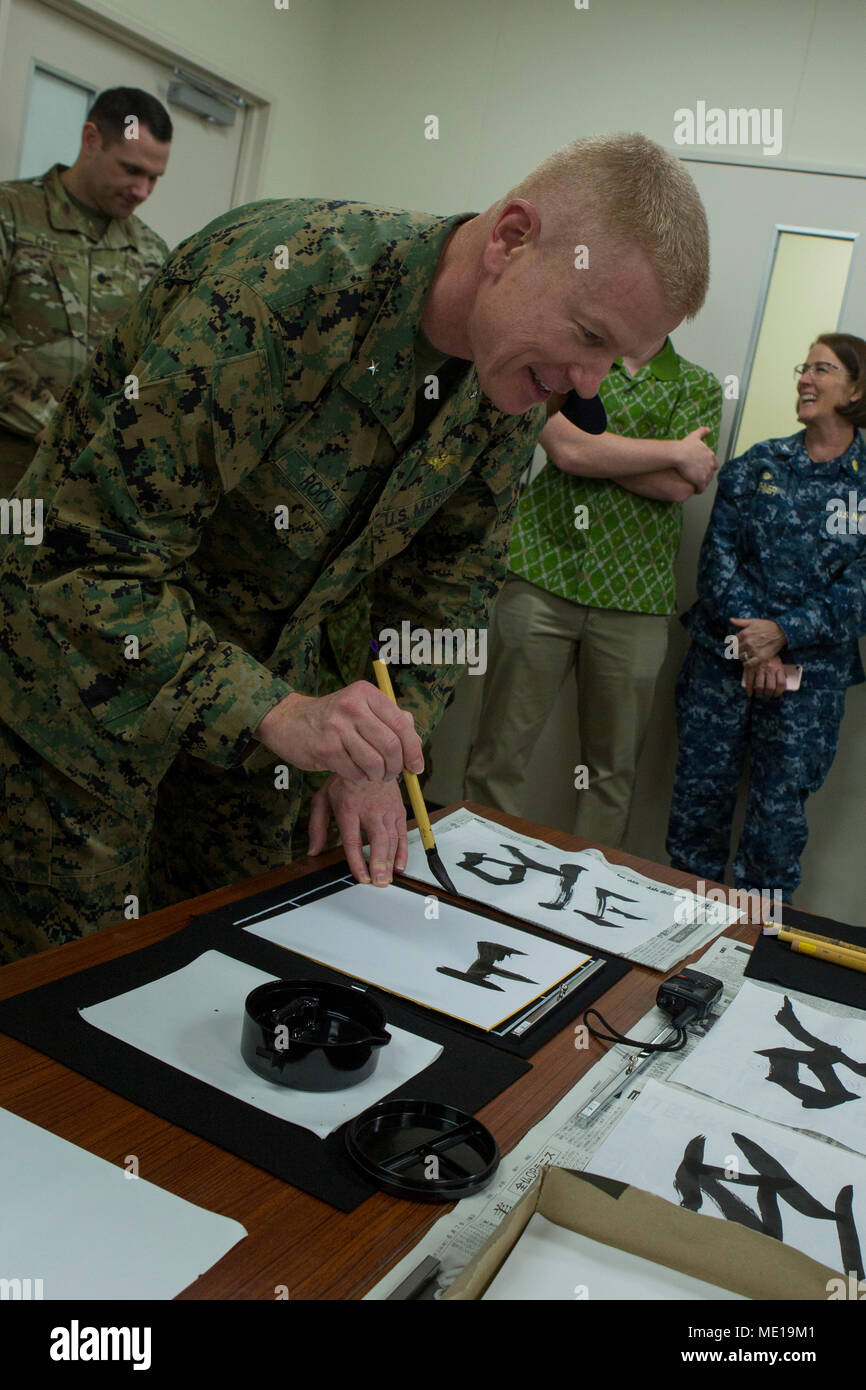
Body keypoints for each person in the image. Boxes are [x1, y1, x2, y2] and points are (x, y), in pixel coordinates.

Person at [0, 132, 710, 963]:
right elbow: (85, 561)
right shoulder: (278, 290)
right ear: (511, 239)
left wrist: (382, 750)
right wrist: (277, 711)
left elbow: (448, 589)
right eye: (589, 335)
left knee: (229, 952)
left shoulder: (512, 378)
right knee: (72, 980)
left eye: (616, 359)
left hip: (260, 704)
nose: (589, 386)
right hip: (78, 687)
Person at [465, 335, 722, 845]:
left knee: (612, 771)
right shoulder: (570, 363)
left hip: (636, 597)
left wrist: (594, 451)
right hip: (543, 574)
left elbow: (677, 486)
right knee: (499, 748)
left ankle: (590, 880)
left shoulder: (698, 385)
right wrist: (673, 451)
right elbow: (564, 449)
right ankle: (474, 859)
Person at [666, 333, 866, 903]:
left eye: (822, 369)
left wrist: (783, 633)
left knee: (777, 829)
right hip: (723, 663)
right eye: (804, 367)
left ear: (856, 389)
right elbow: (717, 559)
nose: (805, 378)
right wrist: (756, 642)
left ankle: (754, 943)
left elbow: (861, 588)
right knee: (697, 811)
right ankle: (679, 936)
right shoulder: (758, 463)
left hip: (809, 684)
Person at [0, 87, 172, 489]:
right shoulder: (10, 214)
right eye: (131, 170)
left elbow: (153, 367)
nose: (142, 191)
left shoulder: (153, 252)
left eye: (154, 178)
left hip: (86, 489)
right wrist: (52, 423)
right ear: (91, 140)